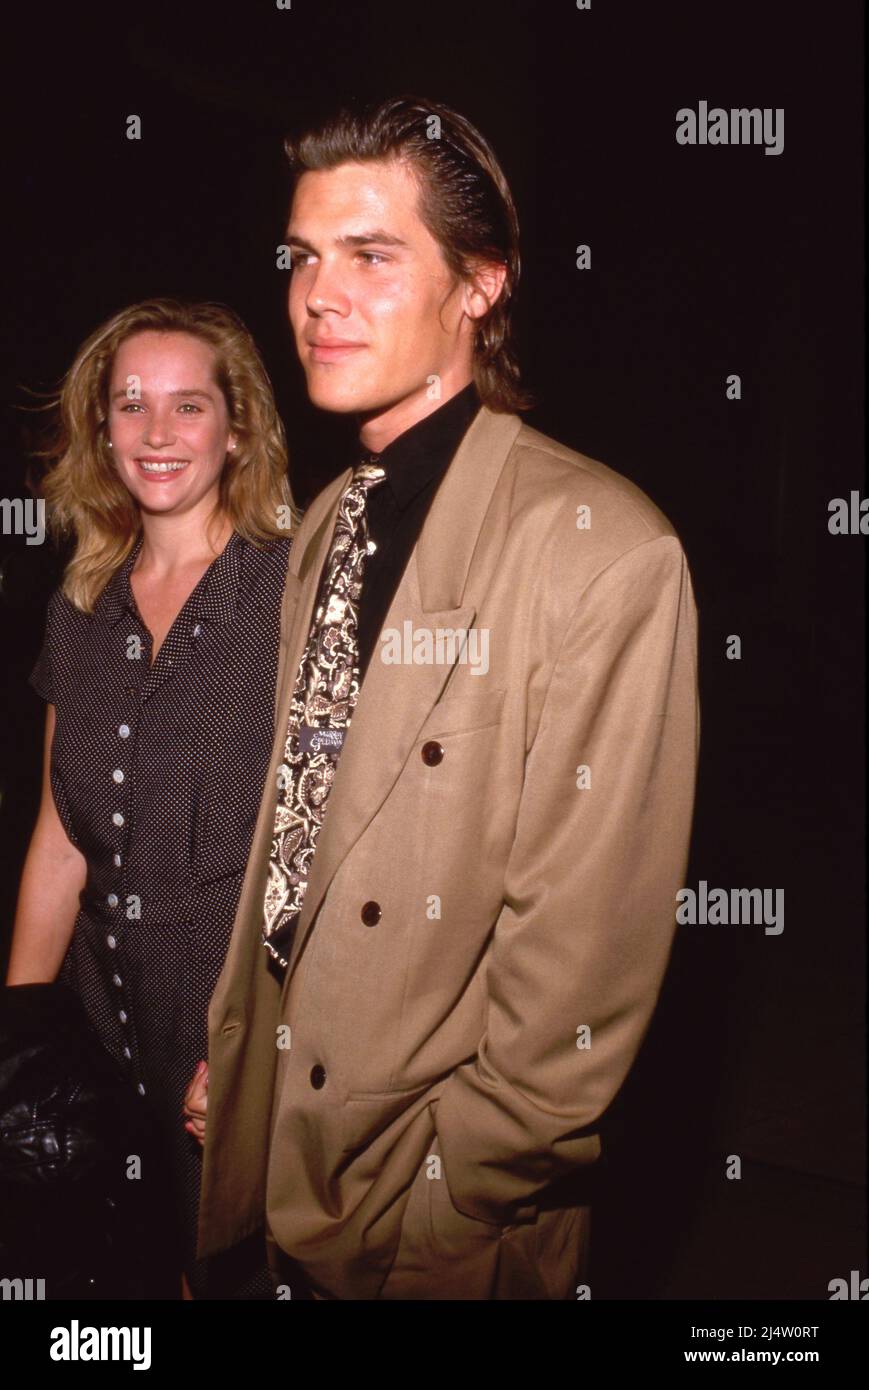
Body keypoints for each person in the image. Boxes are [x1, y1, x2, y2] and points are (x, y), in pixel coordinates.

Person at [191, 94, 700, 1300]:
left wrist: (449, 1194)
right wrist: (248, 1052)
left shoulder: (602, 548)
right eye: (306, 257)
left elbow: (578, 972)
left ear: (478, 284)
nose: (319, 295)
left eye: (371, 256)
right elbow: (304, 830)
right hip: (279, 1153)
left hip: (427, 1219)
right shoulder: (329, 519)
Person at [7, 298, 299, 1300]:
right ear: (101, 428)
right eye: (131, 405)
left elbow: (337, 838)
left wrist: (264, 1031)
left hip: (235, 1011)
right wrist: (21, 1033)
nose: (158, 433)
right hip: (104, 1023)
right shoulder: (78, 606)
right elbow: (60, 837)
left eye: (188, 405)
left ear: (239, 427)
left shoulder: (292, 592)